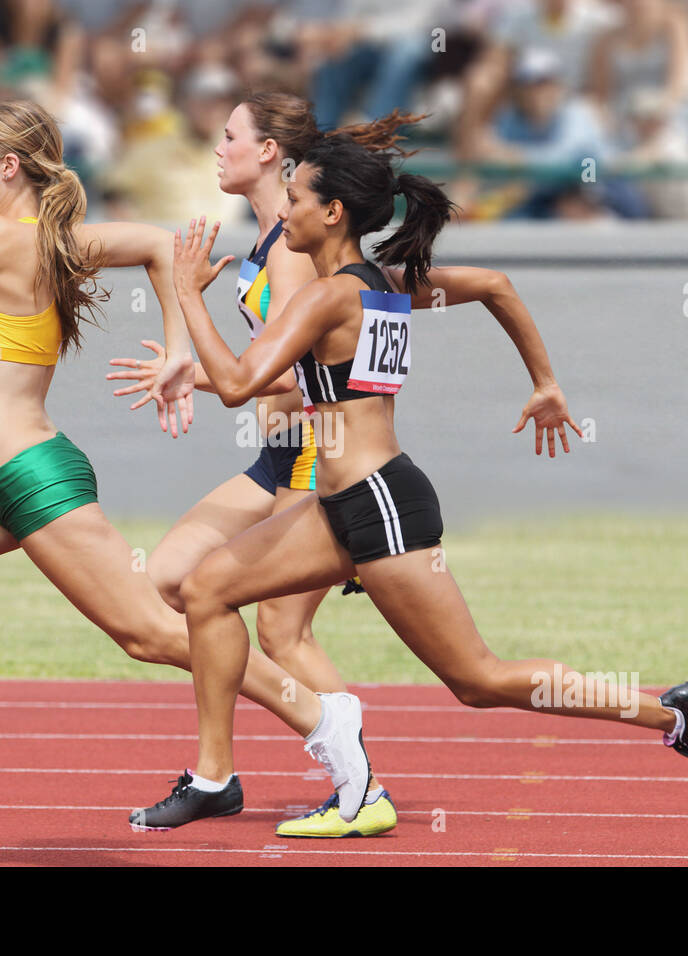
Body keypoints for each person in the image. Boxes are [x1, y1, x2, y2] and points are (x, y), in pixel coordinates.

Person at [128, 132, 688, 830]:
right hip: (340, 508)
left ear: (332, 214)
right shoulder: (385, 286)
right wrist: (544, 384)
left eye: (294, 200)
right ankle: (218, 776)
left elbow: (239, 384)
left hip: (380, 505)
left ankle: (667, 712)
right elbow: (496, 287)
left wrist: (185, 296)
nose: (283, 214)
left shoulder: (328, 298)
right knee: (206, 589)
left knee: (477, 680)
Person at [0, 99, 363, 807]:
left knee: (153, 633)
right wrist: (178, 353)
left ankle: (320, 715)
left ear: (8, 166)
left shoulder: (1, 239)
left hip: (34, 479)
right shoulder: (50, 238)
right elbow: (163, 248)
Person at [108, 92, 564, 837]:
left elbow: (275, 372)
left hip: (316, 466)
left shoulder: (310, 269)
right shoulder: (289, 248)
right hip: (291, 461)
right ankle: (296, 756)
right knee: (183, 587)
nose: (216, 148)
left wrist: (202, 343)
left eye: (229, 136)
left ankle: (325, 764)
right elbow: (470, 292)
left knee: (276, 628)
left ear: (274, 159)